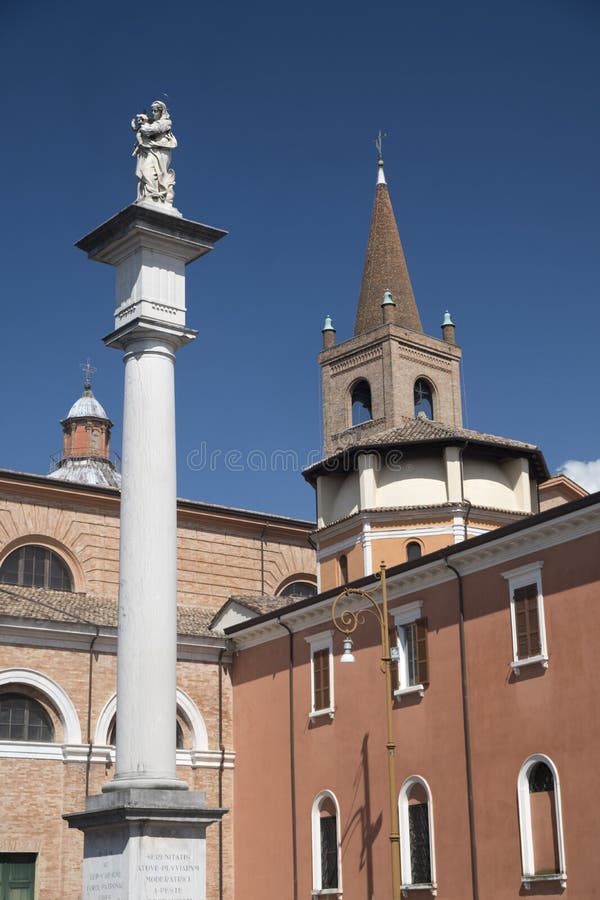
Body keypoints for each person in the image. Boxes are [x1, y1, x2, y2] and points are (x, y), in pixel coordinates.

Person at [131, 101, 178, 206]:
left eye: (155, 111)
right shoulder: (151, 122)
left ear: (161, 111)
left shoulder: (166, 122)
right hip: (149, 151)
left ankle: (155, 195)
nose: (153, 113)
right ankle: (148, 195)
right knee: (142, 171)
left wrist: (142, 126)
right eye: (152, 110)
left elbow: (154, 130)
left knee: (149, 171)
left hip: (161, 152)